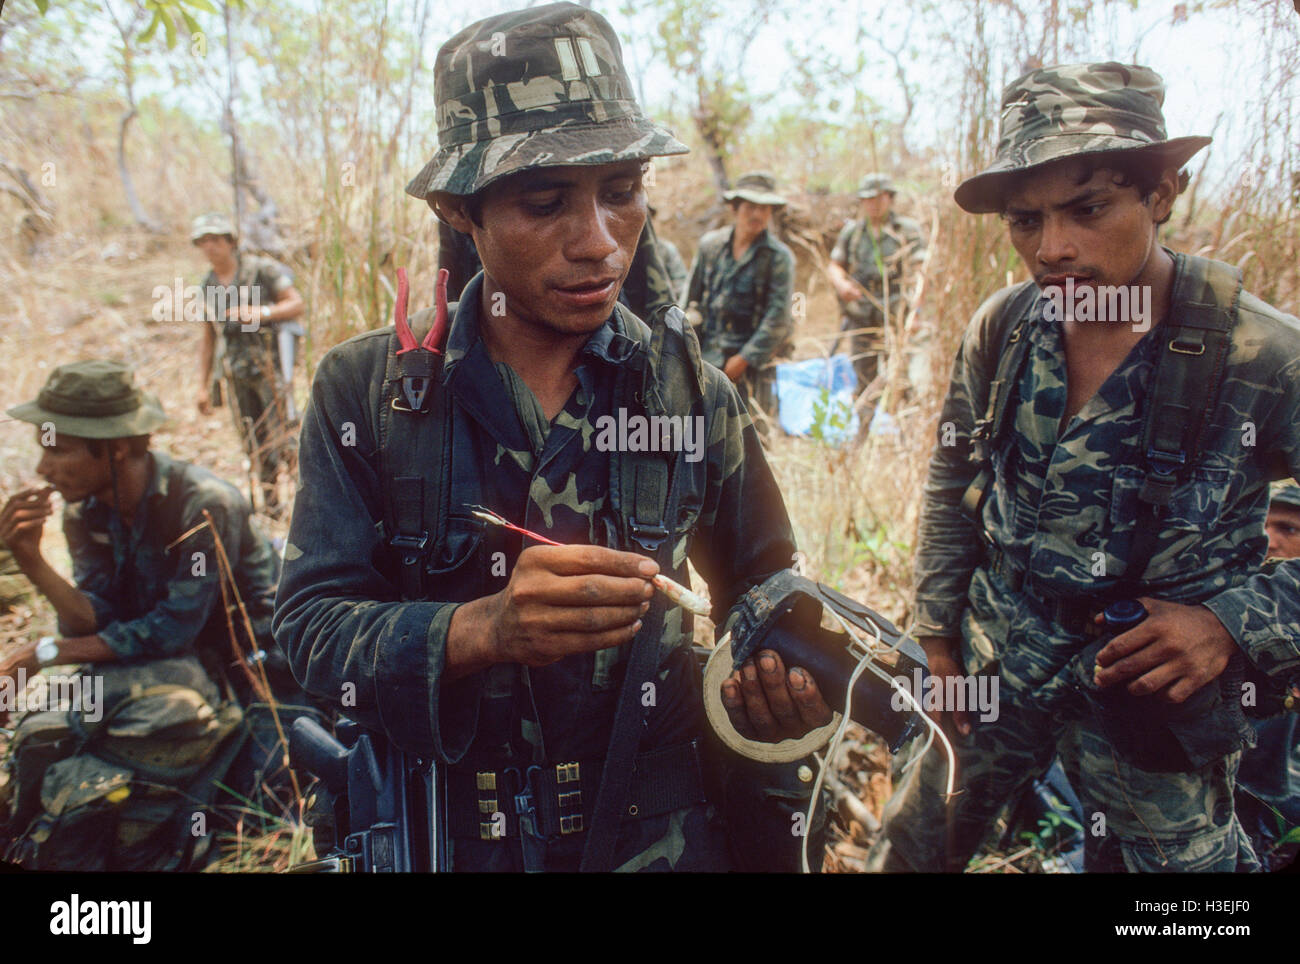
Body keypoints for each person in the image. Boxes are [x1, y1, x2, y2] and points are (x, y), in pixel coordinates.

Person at [274, 2, 833, 873]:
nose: (600, 243)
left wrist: (775, 691)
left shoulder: (692, 394)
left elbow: (764, 596)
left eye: (622, 193)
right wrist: (481, 629)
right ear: (464, 212)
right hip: (455, 836)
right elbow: (310, 632)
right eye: (546, 203)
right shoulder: (371, 393)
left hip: (662, 839)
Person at [871, 62, 1300, 873]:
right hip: (996, 653)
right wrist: (935, 631)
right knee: (915, 846)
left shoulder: (1263, 355)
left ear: (1162, 193)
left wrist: (1230, 625)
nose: (1052, 248)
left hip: (1148, 692)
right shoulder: (1004, 326)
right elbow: (949, 481)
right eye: (1025, 220)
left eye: (1088, 208)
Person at [0, 360, 289, 869]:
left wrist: (40, 654)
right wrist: (32, 561)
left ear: (116, 447)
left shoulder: (202, 503)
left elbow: (173, 630)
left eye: (56, 448)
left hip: (253, 671)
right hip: (169, 664)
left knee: (253, 804)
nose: (44, 469)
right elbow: (95, 621)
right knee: (55, 739)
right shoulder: (85, 512)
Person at [191, 213, 305, 514]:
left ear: (230, 242)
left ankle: (303, 505)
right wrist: (202, 386)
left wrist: (260, 313)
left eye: (215, 240)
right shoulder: (207, 285)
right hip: (235, 374)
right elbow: (208, 337)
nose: (209, 247)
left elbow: (296, 303)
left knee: (285, 438)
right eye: (203, 242)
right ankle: (271, 506)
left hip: (270, 367)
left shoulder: (260, 269)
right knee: (253, 441)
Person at [685, 171, 795, 431]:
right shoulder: (710, 246)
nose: (757, 215)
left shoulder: (779, 257)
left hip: (754, 363)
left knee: (752, 436)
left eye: (764, 209)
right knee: (703, 434)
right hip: (708, 357)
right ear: (735, 208)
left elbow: (778, 319)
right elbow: (690, 300)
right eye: (750, 207)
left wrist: (743, 359)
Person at [1233, 481, 1300, 870]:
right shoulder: (1234, 600)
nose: (1269, 541)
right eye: (1265, 526)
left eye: (1288, 530)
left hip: (1270, 796)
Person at [827, 173, 925, 396]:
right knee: (863, 375)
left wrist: (915, 313)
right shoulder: (852, 232)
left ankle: (903, 422)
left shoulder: (907, 230)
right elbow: (834, 265)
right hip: (862, 314)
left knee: (900, 376)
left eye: (879, 198)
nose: (874, 205)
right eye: (868, 199)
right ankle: (864, 424)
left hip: (896, 312)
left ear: (890, 198)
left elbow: (921, 273)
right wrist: (842, 285)